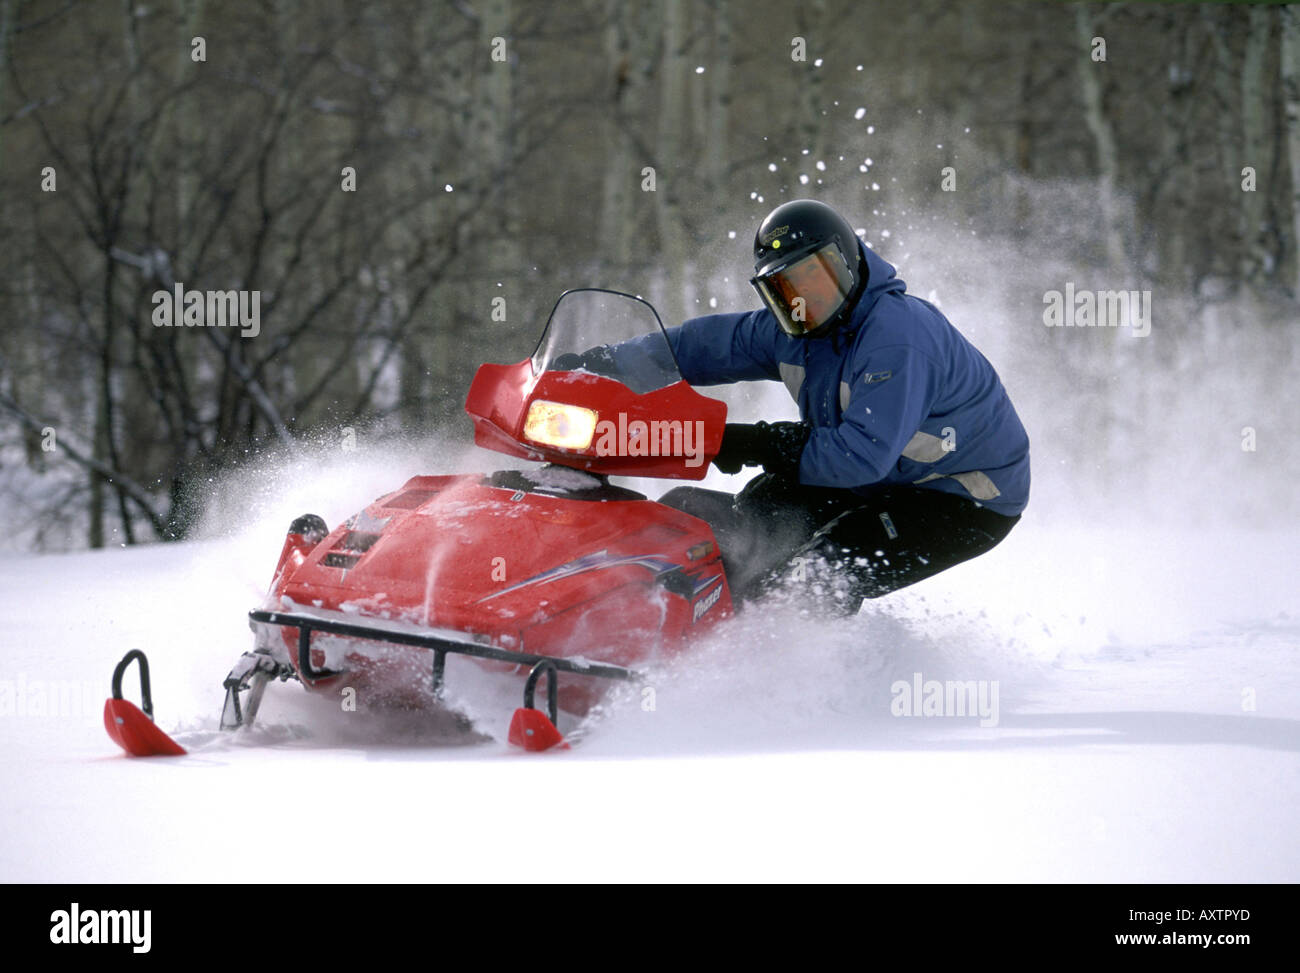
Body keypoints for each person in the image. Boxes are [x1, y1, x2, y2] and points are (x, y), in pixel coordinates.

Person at [651, 199, 1031, 615]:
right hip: (873, 468)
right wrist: (594, 367)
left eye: (816, 274)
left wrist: (752, 442)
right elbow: (698, 348)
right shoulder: (793, 328)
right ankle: (654, 616)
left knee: (825, 570)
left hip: (965, 494)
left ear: (847, 264)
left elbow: (859, 456)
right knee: (749, 528)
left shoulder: (897, 339)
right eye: (785, 285)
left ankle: (783, 669)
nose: (805, 295)